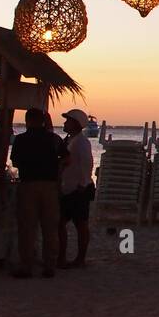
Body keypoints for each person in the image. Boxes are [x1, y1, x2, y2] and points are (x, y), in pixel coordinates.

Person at [10, 109, 63, 278]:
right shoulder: (54, 139)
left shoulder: (21, 139)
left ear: (27, 121)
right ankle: (50, 265)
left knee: (27, 227)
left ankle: (26, 265)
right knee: (50, 227)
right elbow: (66, 158)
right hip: (50, 185)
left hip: (28, 184)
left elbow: (16, 162)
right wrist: (56, 169)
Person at [57, 108, 94, 268]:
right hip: (68, 188)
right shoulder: (69, 140)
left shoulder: (81, 142)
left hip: (78, 189)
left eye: (68, 121)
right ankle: (62, 257)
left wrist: (82, 184)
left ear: (76, 124)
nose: (65, 123)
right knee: (61, 223)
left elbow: (87, 163)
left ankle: (80, 258)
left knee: (80, 224)